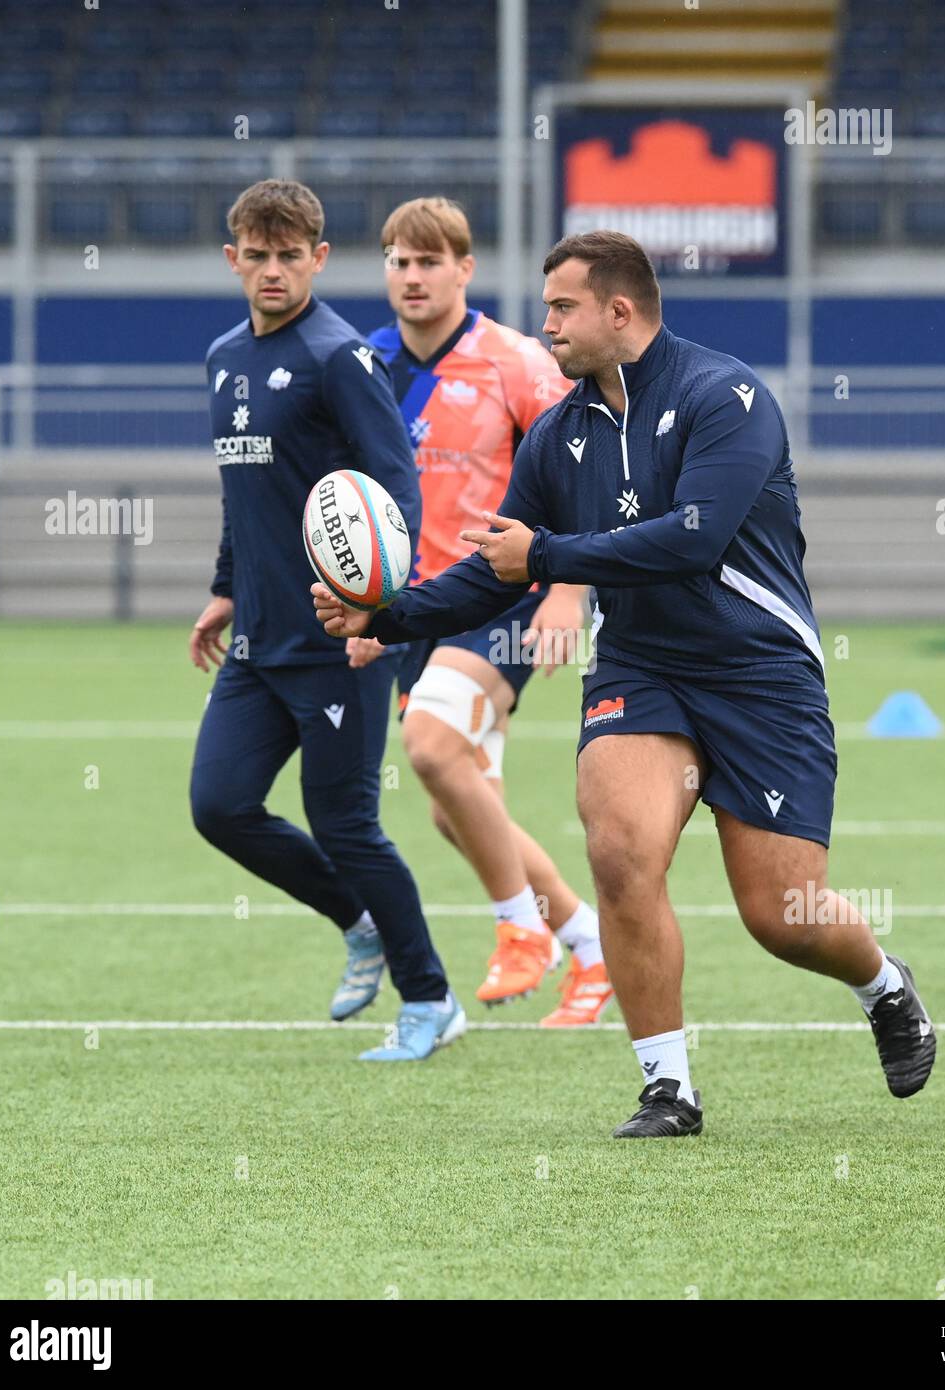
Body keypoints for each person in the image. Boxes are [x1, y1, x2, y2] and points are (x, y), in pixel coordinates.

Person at [312, 229, 936, 1134]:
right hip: (641, 670)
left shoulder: (727, 395)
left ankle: (883, 985)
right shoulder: (559, 431)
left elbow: (694, 538)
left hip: (760, 675)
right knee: (620, 852)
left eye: (563, 306)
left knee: (780, 916)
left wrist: (550, 557)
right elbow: (498, 569)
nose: (547, 324)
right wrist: (388, 613)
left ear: (620, 310)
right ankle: (667, 1086)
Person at [189, 178, 463, 1062]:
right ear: (235, 260)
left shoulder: (342, 358)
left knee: (346, 824)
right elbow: (245, 495)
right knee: (220, 806)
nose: (273, 270)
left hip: (342, 645)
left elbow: (397, 485)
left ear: (319, 259)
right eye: (257, 256)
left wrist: (376, 609)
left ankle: (430, 999)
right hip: (259, 642)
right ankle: (358, 922)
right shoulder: (224, 356)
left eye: (290, 255)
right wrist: (225, 588)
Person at [330, 196, 612, 1027]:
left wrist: (567, 586)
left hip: (507, 595)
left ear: (465, 269)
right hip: (416, 609)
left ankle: (520, 929)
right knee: (455, 807)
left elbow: (583, 457)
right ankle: (591, 949)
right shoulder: (365, 365)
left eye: (429, 261)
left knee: (429, 746)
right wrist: (367, 615)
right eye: (398, 261)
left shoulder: (515, 361)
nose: (412, 277)